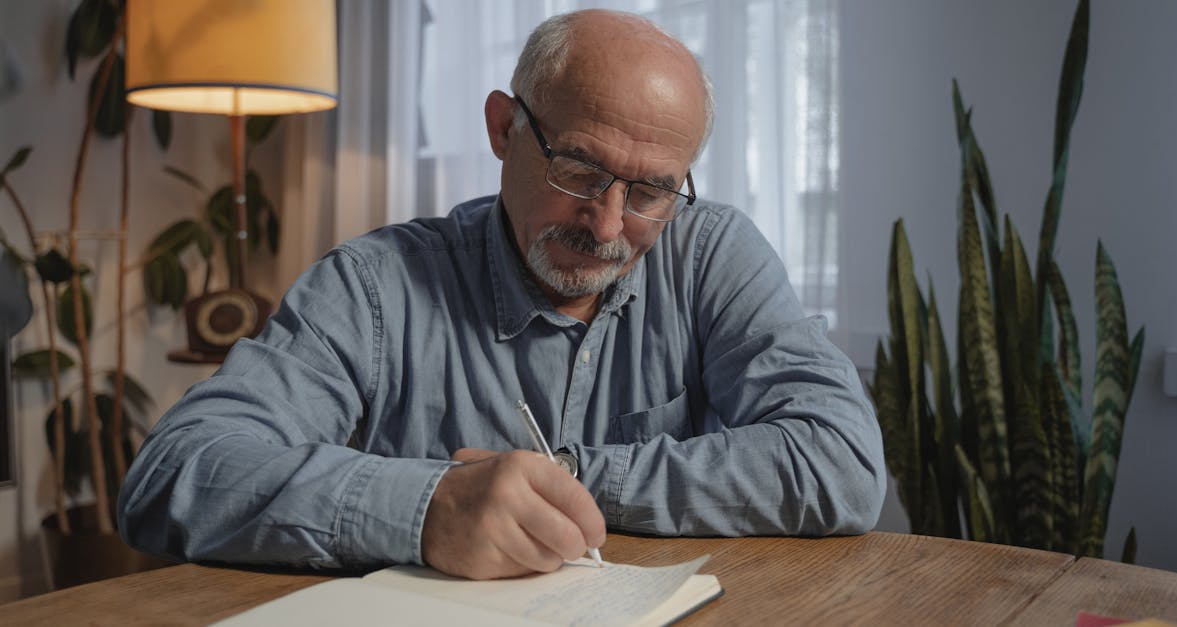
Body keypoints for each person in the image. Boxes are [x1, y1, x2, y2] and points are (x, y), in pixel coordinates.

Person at [118, 9, 886, 581]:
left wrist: (578, 477)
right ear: (502, 127)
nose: (609, 223)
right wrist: (429, 507)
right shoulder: (375, 286)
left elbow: (843, 462)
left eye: (651, 189)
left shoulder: (708, 251)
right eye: (579, 170)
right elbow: (175, 474)